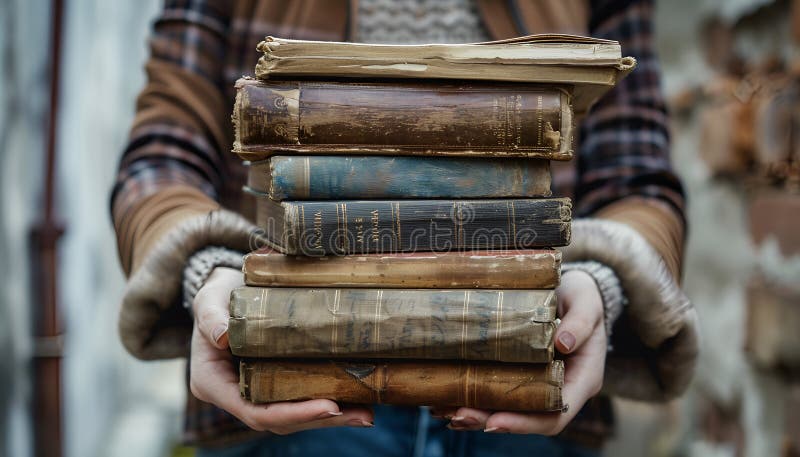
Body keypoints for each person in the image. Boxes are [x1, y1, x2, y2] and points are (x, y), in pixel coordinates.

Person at [111, 0, 698, 455]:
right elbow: (162, 155)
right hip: (287, 379)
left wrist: (603, 280)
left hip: (530, 366)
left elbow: (636, 176)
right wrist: (204, 272)